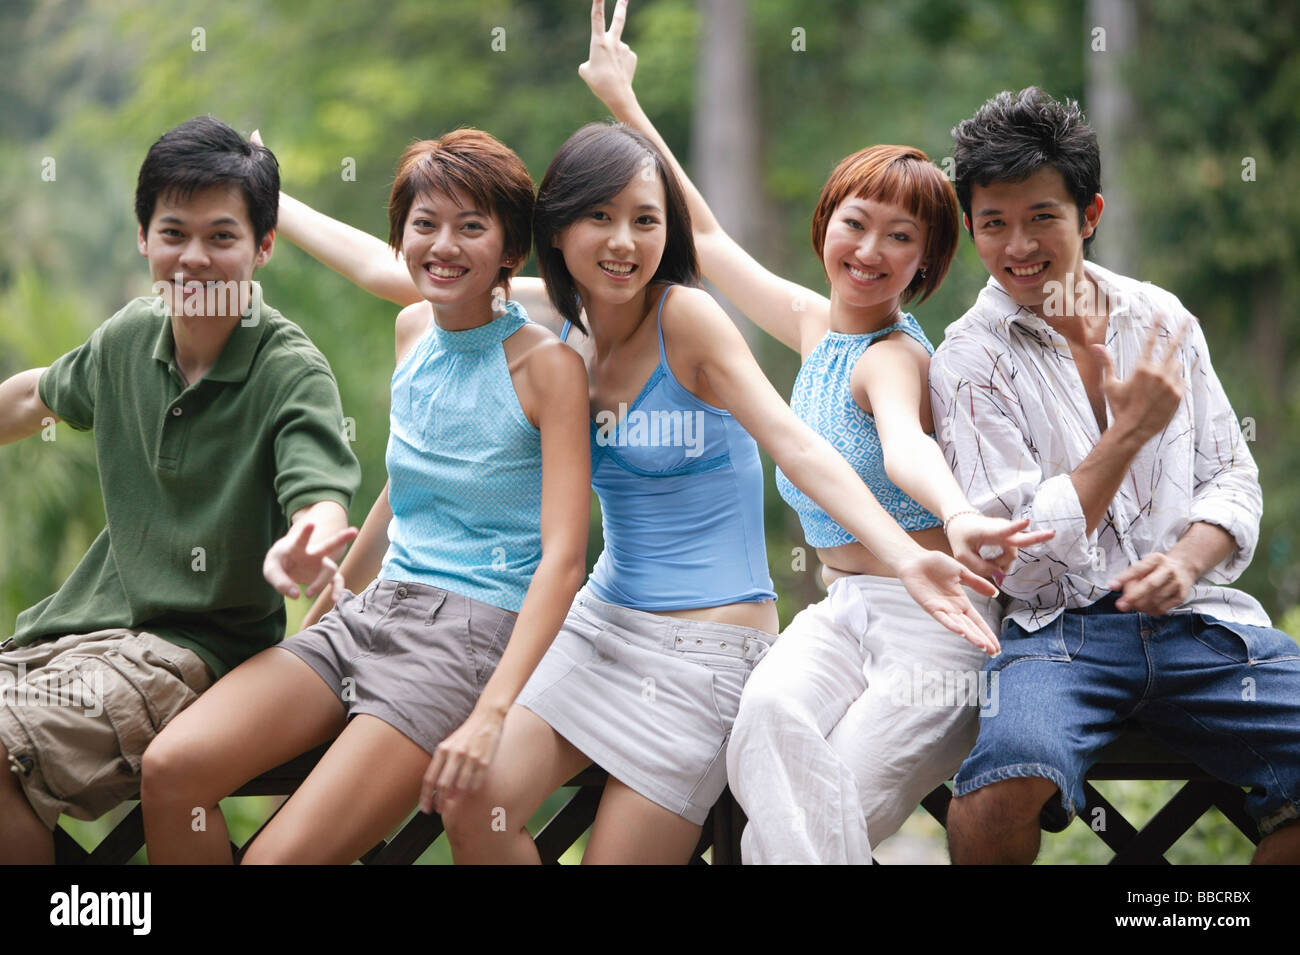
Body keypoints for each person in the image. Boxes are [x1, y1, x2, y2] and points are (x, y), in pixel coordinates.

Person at [273, 117, 1011, 862]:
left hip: (707, 649)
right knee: (468, 798)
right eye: (600, 217)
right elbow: (386, 266)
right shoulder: (555, 322)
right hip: (599, 623)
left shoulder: (684, 318)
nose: (623, 241)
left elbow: (797, 443)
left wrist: (907, 553)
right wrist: (268, 197)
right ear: (557, 230)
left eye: (645, 221)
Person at [577, 0, 1054, 864]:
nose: (870, 249)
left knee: (785, 835)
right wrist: (625, 105)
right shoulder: (813, 326)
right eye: (856, 222)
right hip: (844, 610)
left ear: (926, 263)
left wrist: (957, 512)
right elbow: (707, 235)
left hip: (935, 622)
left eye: (900, 236)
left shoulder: (891, 357)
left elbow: (906, 444)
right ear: (826, 223)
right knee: (761, 722)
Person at [140, 128, 592, 864]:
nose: (443, 245)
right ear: (401, 237)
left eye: (471, 227)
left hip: (468, 640)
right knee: (170, 771)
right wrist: (320, 619)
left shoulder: (548, 370)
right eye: (425, 225)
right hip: (370, 615)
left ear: (510, 251)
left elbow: (563, 562)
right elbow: (404, 495)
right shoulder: (413, 330)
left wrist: (491, 713)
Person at [930, 86, 1300, 864]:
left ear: (1089, 215)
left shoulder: (1162, 320)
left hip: (1202, 620)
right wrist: (1127, 434)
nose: (1017, 246)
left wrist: (1185, 561)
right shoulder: (968, 358)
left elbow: (1233, 475)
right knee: (994, 794)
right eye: (993, 223)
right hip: (1057, 634)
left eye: (1042, 218)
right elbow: (1018, 559)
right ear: (969, 227)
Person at [0, 116, 361, 864]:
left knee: (6, 746)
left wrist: (311, 535)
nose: (193, 258)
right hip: (73, 634)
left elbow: (318, 490)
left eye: (221, 237)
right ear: (144, 237)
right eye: (174, 232)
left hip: (193, 655)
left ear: (263, 246)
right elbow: (32, 398)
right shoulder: (127, 339)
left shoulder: (290, 369)